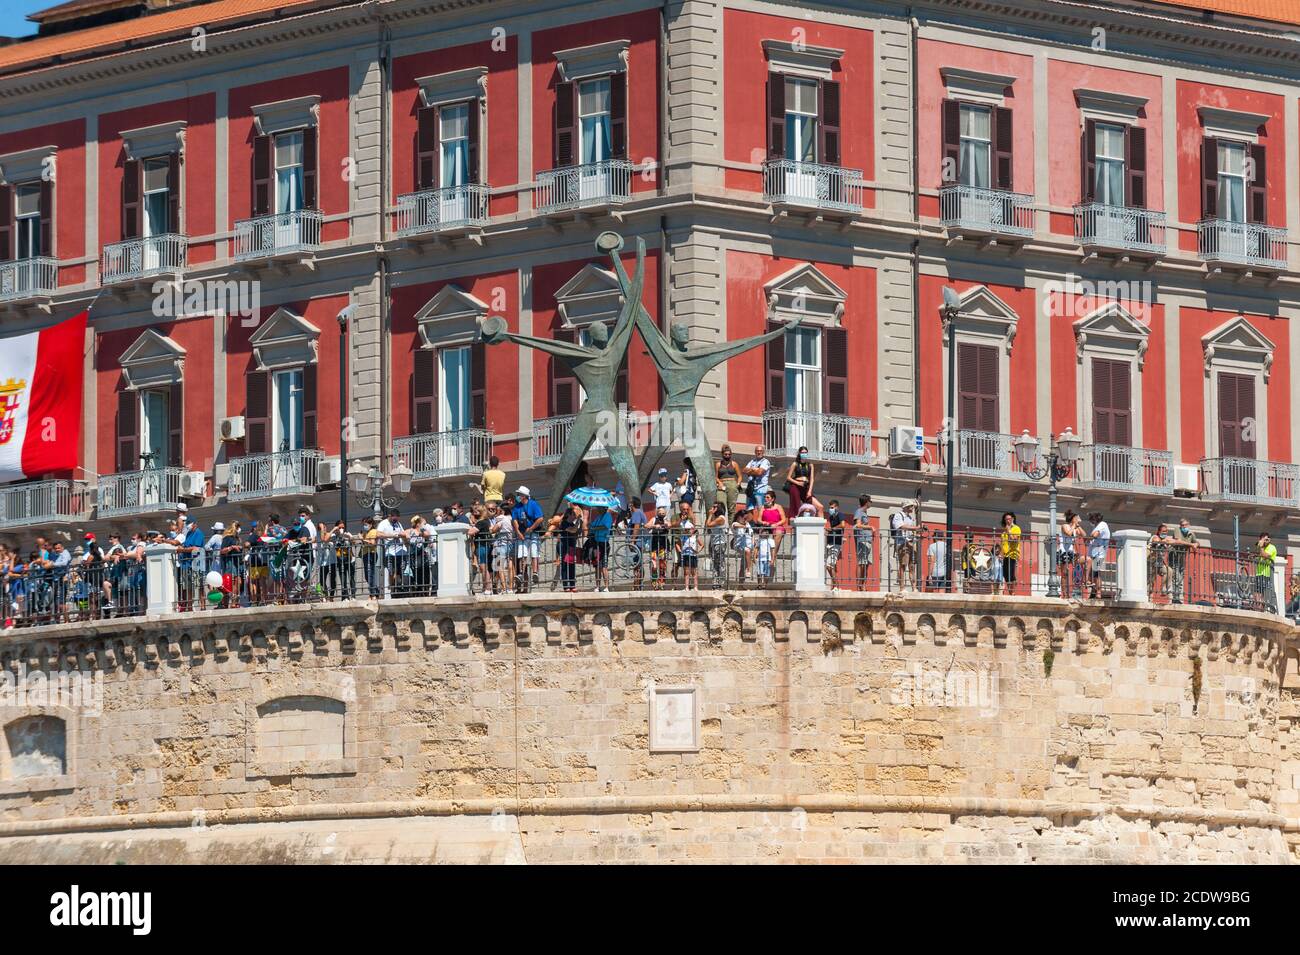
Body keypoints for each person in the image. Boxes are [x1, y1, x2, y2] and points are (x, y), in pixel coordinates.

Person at [511, 486, 544, 592]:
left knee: (534, 552)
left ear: (524, 495)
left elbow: (540, 518)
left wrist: (531, 528)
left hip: (533, 533)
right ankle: (520, 573)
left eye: (519, 494)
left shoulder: (533, 504)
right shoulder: (517, 507)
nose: (518, 496)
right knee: (522, 553)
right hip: (522, 533)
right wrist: (518, 532)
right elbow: (514, 520)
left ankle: (535, 572)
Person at [552, 503, 583, 593]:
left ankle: (572, 585)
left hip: (571, 545)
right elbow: (572, 530)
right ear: (569, 515)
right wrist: (577, 522)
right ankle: (566, 586)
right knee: (565, 565)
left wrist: (579, 521)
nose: (574, 516)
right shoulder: (564, 523)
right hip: (564, 545)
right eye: (573, 514)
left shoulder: (573, 523)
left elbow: (577, 531)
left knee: (572, 564)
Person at [1168, 518, 1199, 604]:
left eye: (1185, 525)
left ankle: (1179, 597)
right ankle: (1175, 597)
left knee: (1181, 577)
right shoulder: (1177, 529)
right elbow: (1178, 541)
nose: (1183, 527)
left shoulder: (1191, 533)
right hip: (1174, 556)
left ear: (1188, 525)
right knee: (1176, 577)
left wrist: (1196, 544)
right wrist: (1191, 544)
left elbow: (1196, 542)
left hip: (1182, 557)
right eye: (1182, 525)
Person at [784, 447, 821, 516]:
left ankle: (821, 526)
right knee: (797, 507)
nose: (804, 454)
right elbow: (788, 477)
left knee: (819, 506)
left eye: (805, 453)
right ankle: (794, 521)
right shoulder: (795, 464)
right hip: (795, 486)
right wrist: (798, 483)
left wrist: (810, 491)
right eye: (802, 453)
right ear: (799, 453)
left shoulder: (810, 465)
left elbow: (812, 479)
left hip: (805, 487)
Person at [890, 501, 918, 591]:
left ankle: (914, 587)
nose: (913, 508)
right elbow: (900, 526)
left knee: (912, 566)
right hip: (902, 543)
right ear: (906, 506)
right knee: (903, 565)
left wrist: (918, 533)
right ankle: (902, 587)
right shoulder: (899, 515)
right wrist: (916, 528)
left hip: (910, 543)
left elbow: (911, 531)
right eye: (911, 506)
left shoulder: (910, 518)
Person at [587, 504, 614, 592]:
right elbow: (592, 526)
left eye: (599, 508)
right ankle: (597, 586)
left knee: (604, 566)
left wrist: (594, 528)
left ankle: (606, 586)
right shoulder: (599, 517)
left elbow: (605, 526)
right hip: (596, 542)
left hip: (604, 543)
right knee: (597, 566)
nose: (597, 509)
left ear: (603, 508)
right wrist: (590, 525)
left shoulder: (608, 516)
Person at [1086, 511, 1111, 599]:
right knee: (1094, 572)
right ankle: (1094, 590)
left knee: (1096, 572)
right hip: (1095, 553)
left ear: (1094, 519)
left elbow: (1095, 535)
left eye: (1091, 519)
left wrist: (1091, 536)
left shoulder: (1102, 524)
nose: (1091, 522)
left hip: (1099, 553)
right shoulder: (1099, 525)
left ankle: (1098, 592)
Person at [705, 501, 729, 588]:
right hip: (714, 542)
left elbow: (708, 525)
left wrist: (710, 514)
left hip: (720, 543)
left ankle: (721, 582)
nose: (712, 508)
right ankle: (716, 581)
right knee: (715, 563)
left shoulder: (721, 518)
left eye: (715, 507)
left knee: (720, 563)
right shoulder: (716, 517)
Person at [1147, 523, 1174, 600]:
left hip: (1160, 562)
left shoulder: (1166, 539)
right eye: (1163, 531)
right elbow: (1156, 541)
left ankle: (1164, 589)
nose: (1164, 533)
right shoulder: (1155, 537)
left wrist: (1191, 544)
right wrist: (1165, 542)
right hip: (1151, 561)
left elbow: (1175, 541)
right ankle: (1149, 596)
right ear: (1158, 531)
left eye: (1166, 532)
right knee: (1151, 579)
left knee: (1169, 570)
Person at [852, 495, 874, 591]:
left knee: (866, 564)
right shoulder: (859, 511)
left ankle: (863, 585)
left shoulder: (864, 512)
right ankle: (859, 586)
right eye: (870, 501)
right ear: (866, 502)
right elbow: (858, 525)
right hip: (862, 540)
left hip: (867, 540)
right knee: (861, 563)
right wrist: (870, 527)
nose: (871, 503)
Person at [997, 511, 1021, 596]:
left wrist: (1009, 531)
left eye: (1009, 519)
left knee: (1010, 573)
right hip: (1005, 555)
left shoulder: (1016, 528)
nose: (1008, 521)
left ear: (1013, 519)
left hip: (1013, 553)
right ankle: (1012, 588)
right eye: (1006, 519)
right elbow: (1003, 544)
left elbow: (1013, 539)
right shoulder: (1004, 533)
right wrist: (1000, 553)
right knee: (1005, 573)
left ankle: (1012, 592)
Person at [647, 506, 671, 589]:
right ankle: (654, 582)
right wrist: (654, 526)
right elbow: (646, 525)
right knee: (654, 565)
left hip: (663, 545)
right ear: (657, 513)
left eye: (663, 513)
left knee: (662, 564)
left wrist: (666, 525)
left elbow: (670, 525)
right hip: (654, 545)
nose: (661, 514)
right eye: (660, 513)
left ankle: (662, 582)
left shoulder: (666, 520)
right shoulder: (653, 519)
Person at [824, 499, 846, 589]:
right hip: (830, 542)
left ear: (837, 507)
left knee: (830, 565)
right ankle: (835, 585)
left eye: (832, 507)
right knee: (829, 566)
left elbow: (843, 525)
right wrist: (829, 531)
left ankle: (836, 585)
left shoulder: (840, 514)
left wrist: (832, 529)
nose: (830, 509)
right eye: (829, 507)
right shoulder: (831, 517)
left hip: (836, 542)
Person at [743, 445, 772, 511]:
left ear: (763, 452)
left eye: (760, 451)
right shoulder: (752, 461)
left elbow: (759, 473)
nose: (759, 452)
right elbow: (744, 470)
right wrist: (754, 470)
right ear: (755, 452)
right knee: (749, 509)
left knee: (761, 509)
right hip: (751, 488)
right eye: (757, 451)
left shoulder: (765, 462)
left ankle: (760, 521)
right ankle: (750, 521)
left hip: (761, 489)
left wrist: (750, 470)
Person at [1255, 532, 1279, 612]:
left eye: (1265, 539)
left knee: (1260, 593)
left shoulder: (1272, 547)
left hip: (1266, 573)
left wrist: (1261, 547)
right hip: (1259, 573)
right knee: (1256, 592)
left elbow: (1265, 556)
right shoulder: (1262, 548)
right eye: (1262, 539)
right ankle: (1258, 608)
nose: (1264, 541)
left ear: (1269, 540)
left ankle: (1261, 609)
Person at [677, 513, 700, 591]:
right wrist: (680, 550)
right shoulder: (683, 536)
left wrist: (697, 551)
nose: (687, 531)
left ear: (692, 529)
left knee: (694, 572)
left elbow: (702, 544)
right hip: (686, 555)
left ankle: (695, 587)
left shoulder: (695, 537)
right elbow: (678, 544)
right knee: (686, 572)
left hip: (693, 555)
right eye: (686, 529)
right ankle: (686, 587)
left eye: (689, 529)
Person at [715, 445, 741, 515]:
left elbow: (740, 476)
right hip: (721, 484)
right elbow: (715, 477)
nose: (727, 456)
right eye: (725, 454)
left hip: (732, 483)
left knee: (731, 508)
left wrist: (738, 484)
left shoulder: (734, 464)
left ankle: (731, 525)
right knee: (720, 506)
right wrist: (719, 482)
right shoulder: (718, 464)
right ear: (722, 454)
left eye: (729, 454)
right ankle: (721, 524)